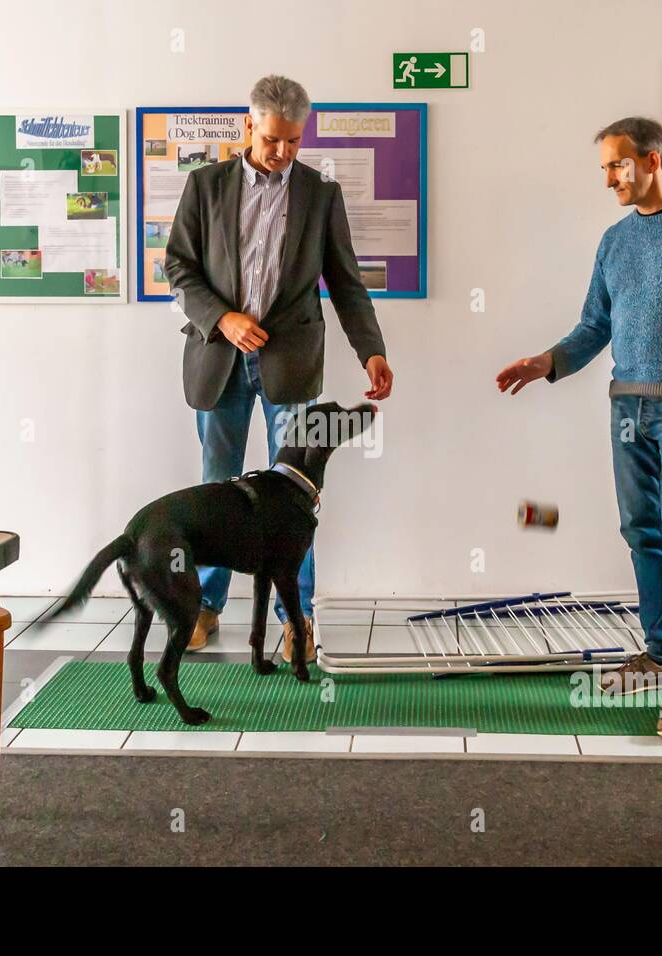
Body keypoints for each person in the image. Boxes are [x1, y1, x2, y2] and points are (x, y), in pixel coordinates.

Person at [494, 117, 662, 739]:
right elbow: (595, 326)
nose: (608, 179)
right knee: (642, 532)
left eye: (617, 165)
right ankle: (659, 650)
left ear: (653, 160)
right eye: (603, 168)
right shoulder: (615, 242)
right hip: (628, 410)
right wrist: (547, 362)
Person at [164, 75, 394, 660]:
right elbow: (179, 267)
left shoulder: (321, 194)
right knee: (217, 491)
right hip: (218, 360)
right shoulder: (205, 185)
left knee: (295, 495)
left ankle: (299, 619)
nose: (283, 152)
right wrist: (223, 319)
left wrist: (370, 349)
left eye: (293, 141)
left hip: (291, 365)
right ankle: (207, 607)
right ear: (248, 127)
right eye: (273, 140)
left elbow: (345, 281)